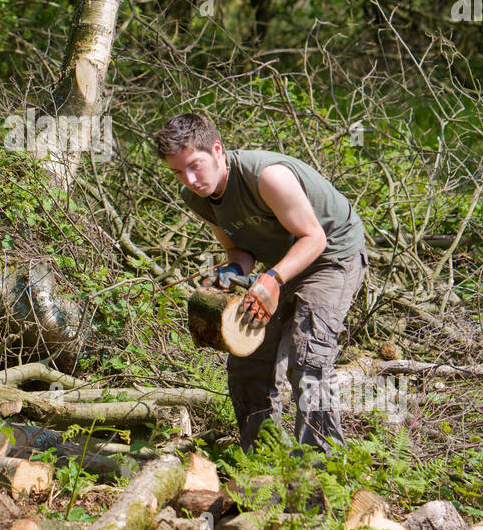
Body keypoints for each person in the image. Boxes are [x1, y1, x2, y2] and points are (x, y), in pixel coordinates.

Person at [154, 113, 367, 455]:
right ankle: (261, 460)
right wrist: (233, 269)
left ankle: (321, 467)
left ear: (217, 151)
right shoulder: (196, 198)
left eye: (195, 166)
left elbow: (315, 238)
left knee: (308, 351)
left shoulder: (266, 176)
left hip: (332, 255)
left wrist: (273, 278)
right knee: (247, 355)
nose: (191, 179)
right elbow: (238, 249)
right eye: (178, 172)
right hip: (284, 263)